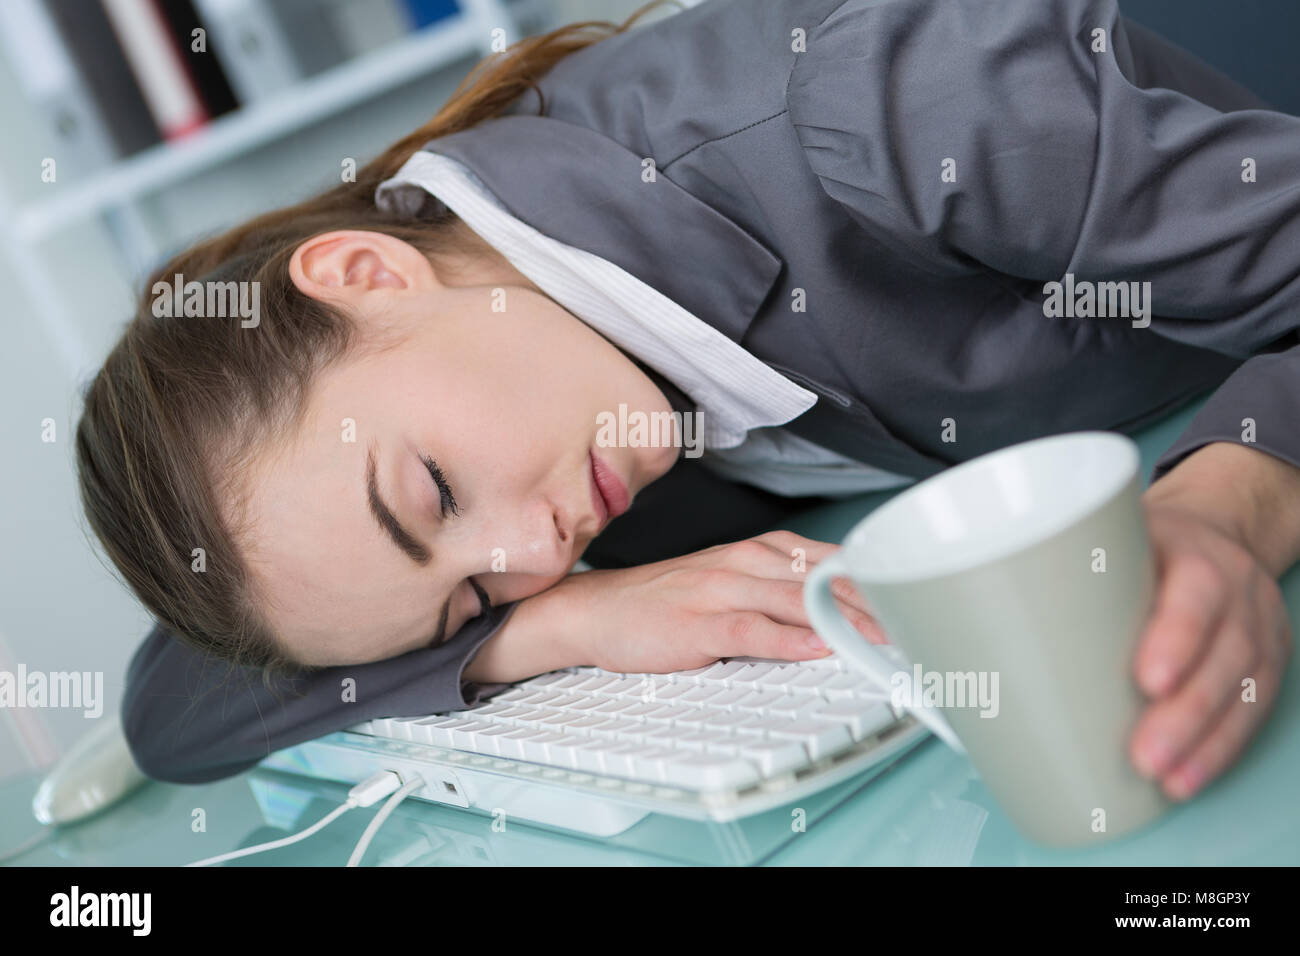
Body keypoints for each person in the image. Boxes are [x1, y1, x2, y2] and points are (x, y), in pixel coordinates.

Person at [77, 0, 1297, 806]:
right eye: (467, 594)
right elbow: (167, 709)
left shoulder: (881, 113)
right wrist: (560, 625)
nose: (538, 551)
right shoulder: (551, 411)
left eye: (435, 492)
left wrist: (1230, 506)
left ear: (366, 276)